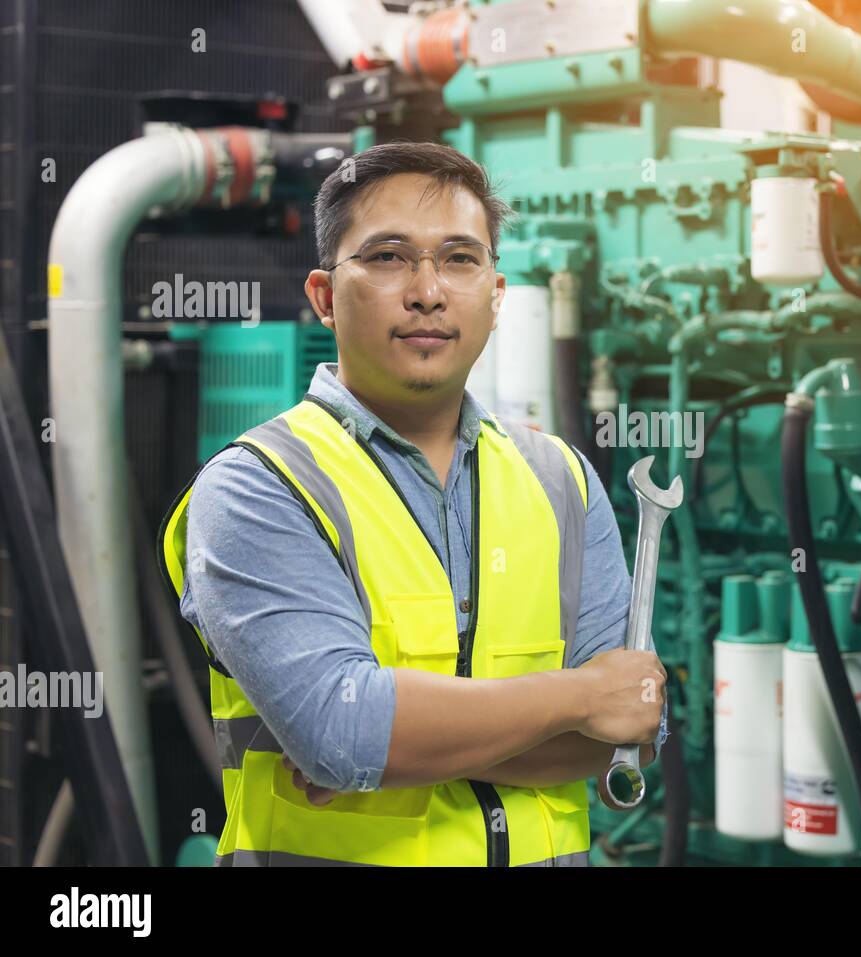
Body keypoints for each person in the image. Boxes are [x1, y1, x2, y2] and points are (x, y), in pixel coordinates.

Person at [158, 141, 667, 866]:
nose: (427, 290)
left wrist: (405, 742)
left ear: (496, 296)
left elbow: (630, 726)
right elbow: (343, 733)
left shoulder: (563, 481)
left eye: (460, 259)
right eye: (390, 256)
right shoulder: (258, 487)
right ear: (325, 297)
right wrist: (582, 694)